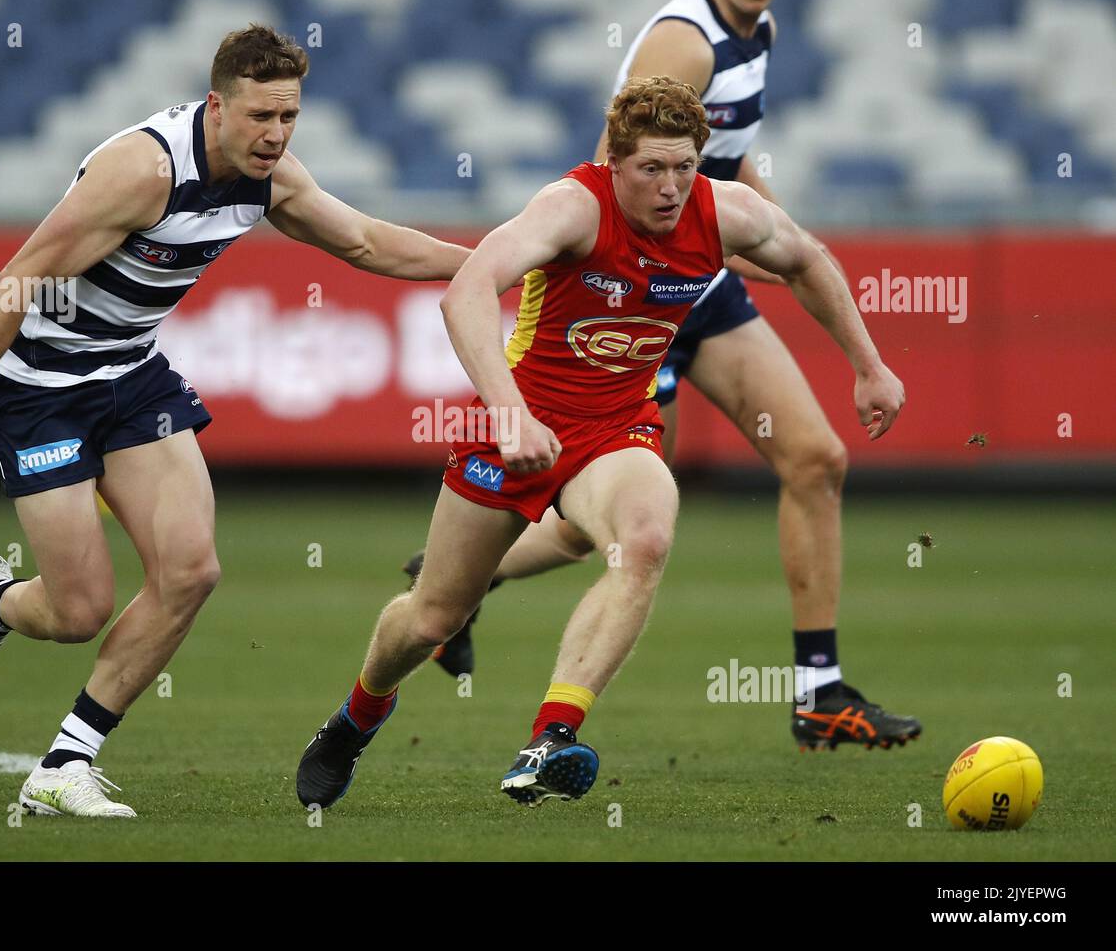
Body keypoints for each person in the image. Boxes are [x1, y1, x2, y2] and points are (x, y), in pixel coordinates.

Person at [297, 75, 907, 811]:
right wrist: (511, 412)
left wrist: (868, 366)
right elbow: (466, 292)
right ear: (614, 163)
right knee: (432, 618)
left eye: (685, 167)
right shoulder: (571, 207)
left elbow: (806, 259)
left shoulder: (724, 212)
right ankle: (356, 717)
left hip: (617, 429)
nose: (671, 186)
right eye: (652, 168)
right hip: (519, 420)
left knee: (644, 538)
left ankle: (549, 737)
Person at [0, 25, 471, 818]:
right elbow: (22, 275)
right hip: (41, 386)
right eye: (259, 117)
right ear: (217, 107)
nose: (275, 135)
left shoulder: (270, 175)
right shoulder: (141, 173)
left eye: (288, 118)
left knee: (191, 570)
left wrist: (497, 259)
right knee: (77, 611)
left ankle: (64, 763)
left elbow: (366, 242)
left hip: (132, 377)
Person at [407, 0, 922, 753]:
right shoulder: (686, 41)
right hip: (631, 289)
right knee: (608, 530)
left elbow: (721, 154)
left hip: (700, 278)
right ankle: (462, 577)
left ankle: (818, 691)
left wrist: (771, 233)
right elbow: (619, 163)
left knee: (816, 458)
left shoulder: (760, 30)